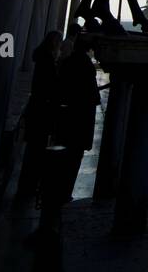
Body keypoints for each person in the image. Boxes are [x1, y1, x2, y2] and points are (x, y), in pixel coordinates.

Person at [53, 31, 101, 201]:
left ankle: (56, 190)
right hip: (79, 118)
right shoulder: (86, 64)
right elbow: (93, 96)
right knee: (73, 157)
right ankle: (65, 192)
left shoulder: (67, 62)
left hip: (66, 116)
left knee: (63, 154)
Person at [17, 30, 63, 198]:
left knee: (33, 149)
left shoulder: (42, 58)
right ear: (54, 43)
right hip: (42, 111)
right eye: (58, 42)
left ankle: (27, 184)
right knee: (37, 149)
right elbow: (51, 86)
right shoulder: (48, 61)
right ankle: (29, 185)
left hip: (37, 108)